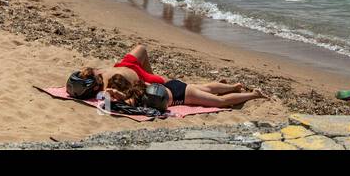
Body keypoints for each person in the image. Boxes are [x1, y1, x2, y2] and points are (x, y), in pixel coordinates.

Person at [73, 45, 264, 109]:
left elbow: (129, 98)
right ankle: (231, 86)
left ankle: (251, 94)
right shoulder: (100, 72)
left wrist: (117, 95)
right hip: (126, 66)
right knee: (202, 89)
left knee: (217, 100)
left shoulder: (137, 89)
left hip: (173, 89)